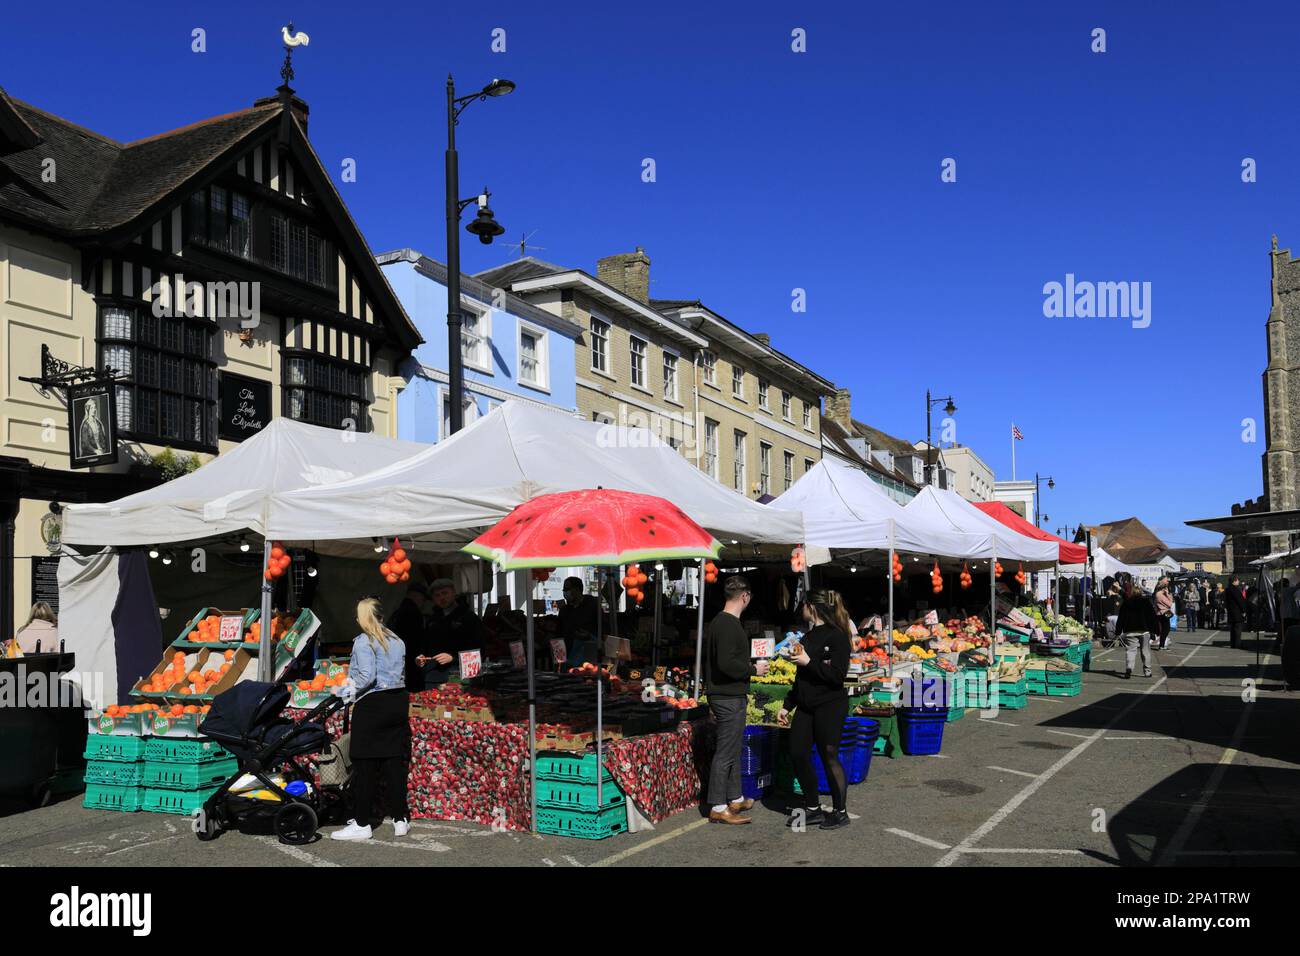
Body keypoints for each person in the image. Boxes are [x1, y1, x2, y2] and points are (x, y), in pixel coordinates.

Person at [331, 598, 410, 841]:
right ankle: (400, 819)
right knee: (393, 763)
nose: (356, 620)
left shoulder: (364, 641)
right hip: (397, 702)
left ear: (364, 617)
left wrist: (341, 692)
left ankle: (362, 823)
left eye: (358, 615)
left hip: (373, 704)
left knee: (364, 765)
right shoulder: (397, 640)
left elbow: (366, 676)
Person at [778, 588, 852, 830]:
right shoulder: (807, 637)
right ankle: (812, 808)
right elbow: (801, 679)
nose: (802, 609)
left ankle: (840, 811)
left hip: (830, 704)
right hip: (806, 705)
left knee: (828, 754)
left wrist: (809, 662)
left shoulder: (838, 636)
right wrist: (788, 705)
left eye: (804, 605)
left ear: (813, 608)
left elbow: (836, 676)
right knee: (797, 752)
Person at [703, 575, 770, 825]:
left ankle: (735, 797)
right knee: (726, 752)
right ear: (745, 596)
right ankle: (718, 806)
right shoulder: (728, 624)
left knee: (732, 749)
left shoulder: (721, 622)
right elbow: (726, 663)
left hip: (727, 694)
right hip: (727, 695)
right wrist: (753, 670)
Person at [413, 578, 482, 688]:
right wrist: (421, 657)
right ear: (433, 599)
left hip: (458, 676)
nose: (442, 598)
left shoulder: (468, 617)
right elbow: (425, 644)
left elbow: (478, 648)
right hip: (433, 677)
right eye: (437, 595)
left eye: (445, 593)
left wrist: (453, 657)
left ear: (454, 592)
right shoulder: (432, 619)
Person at [1114, 574, 1159, 679]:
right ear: (1141, 592)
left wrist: (1117, 632)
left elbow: (1121, 618)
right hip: (1144, 630)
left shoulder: (1126, 603)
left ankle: (1129, 668)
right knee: (1145, 651)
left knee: (1131, 650)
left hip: (1130, 630)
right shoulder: (1146, 602)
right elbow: (1152, 617)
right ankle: (1147, 671)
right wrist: (1155, 630)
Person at [388, 582, 429, 689]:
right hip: (410, 662)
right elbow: (416, 641)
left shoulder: (397, 613)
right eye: (423, 599)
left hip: (396, 662)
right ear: (416, 596)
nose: (423, 603)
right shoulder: (413, 612)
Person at [557, 576, 600, 665]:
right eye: (564, 589)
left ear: (577, 589)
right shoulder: (564, 610)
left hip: (588, 656)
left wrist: (589, 636)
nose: (565, 592)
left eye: (567, 589)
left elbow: (602, 627)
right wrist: (559, 660)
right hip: (567, 656)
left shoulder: (592, 605)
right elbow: (559, 633)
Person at [1225, 575, 1248, 650]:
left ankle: (1233, 644)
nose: (1238, 581)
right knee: (1238, 629)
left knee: (1233, 629)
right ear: (1234, 581)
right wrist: (1244, 610)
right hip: (1237, 612)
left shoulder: (1228, 589)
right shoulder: (1235, 589)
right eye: (1237, 580)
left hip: (1231, 611)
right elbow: (1240, 601)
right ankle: (1237, 644)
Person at [1152, 578, 1174, 649]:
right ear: (1163, 588)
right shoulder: (1160, 595)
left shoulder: (1159, 594)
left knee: (1165, 629)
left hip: (1161, 613)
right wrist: (1168, 595)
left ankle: (1162, 645)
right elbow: (1170, 604)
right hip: (1163, 613)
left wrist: (1168, 595)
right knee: (1166, 629)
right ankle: (1161, 645)